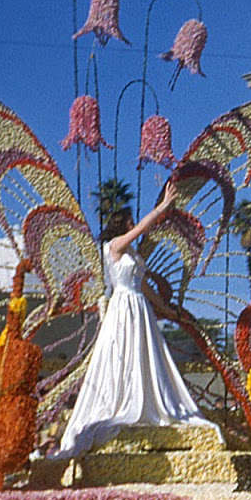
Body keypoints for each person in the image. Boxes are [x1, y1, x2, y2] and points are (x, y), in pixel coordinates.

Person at [54, 181, 217, 460]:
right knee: (121, 354)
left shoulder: (132, 255)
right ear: (122, 224)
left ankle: (147, 401)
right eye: (129, 220)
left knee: (144, 355)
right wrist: (163, 207)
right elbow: (142, 230)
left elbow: (144, 287)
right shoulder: (113, 247)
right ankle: (121, 402)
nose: (133, 223)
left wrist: (166, 308)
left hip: (139, 307)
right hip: (123, 306)